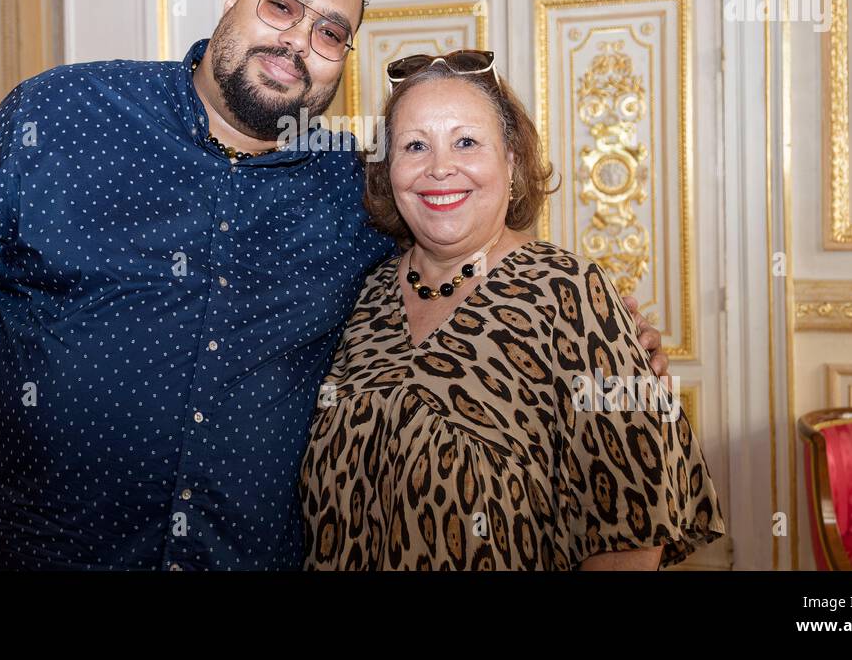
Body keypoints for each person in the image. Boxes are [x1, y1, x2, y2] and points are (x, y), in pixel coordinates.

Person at [0, 0, 669, 570]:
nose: (298, 38)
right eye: (282, 3)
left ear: (342, 60)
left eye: (331, 31)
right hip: (44, 555)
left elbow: (461, 224)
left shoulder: (352, 187)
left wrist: (585, 316)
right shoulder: (63, 113)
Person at [300, 51, 724, 569]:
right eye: (415, 145)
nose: (440, 167)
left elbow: (629, 529)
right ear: (389, 171)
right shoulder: (362, 294)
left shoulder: (572, 294)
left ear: (513, 161)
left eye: (466, 142)